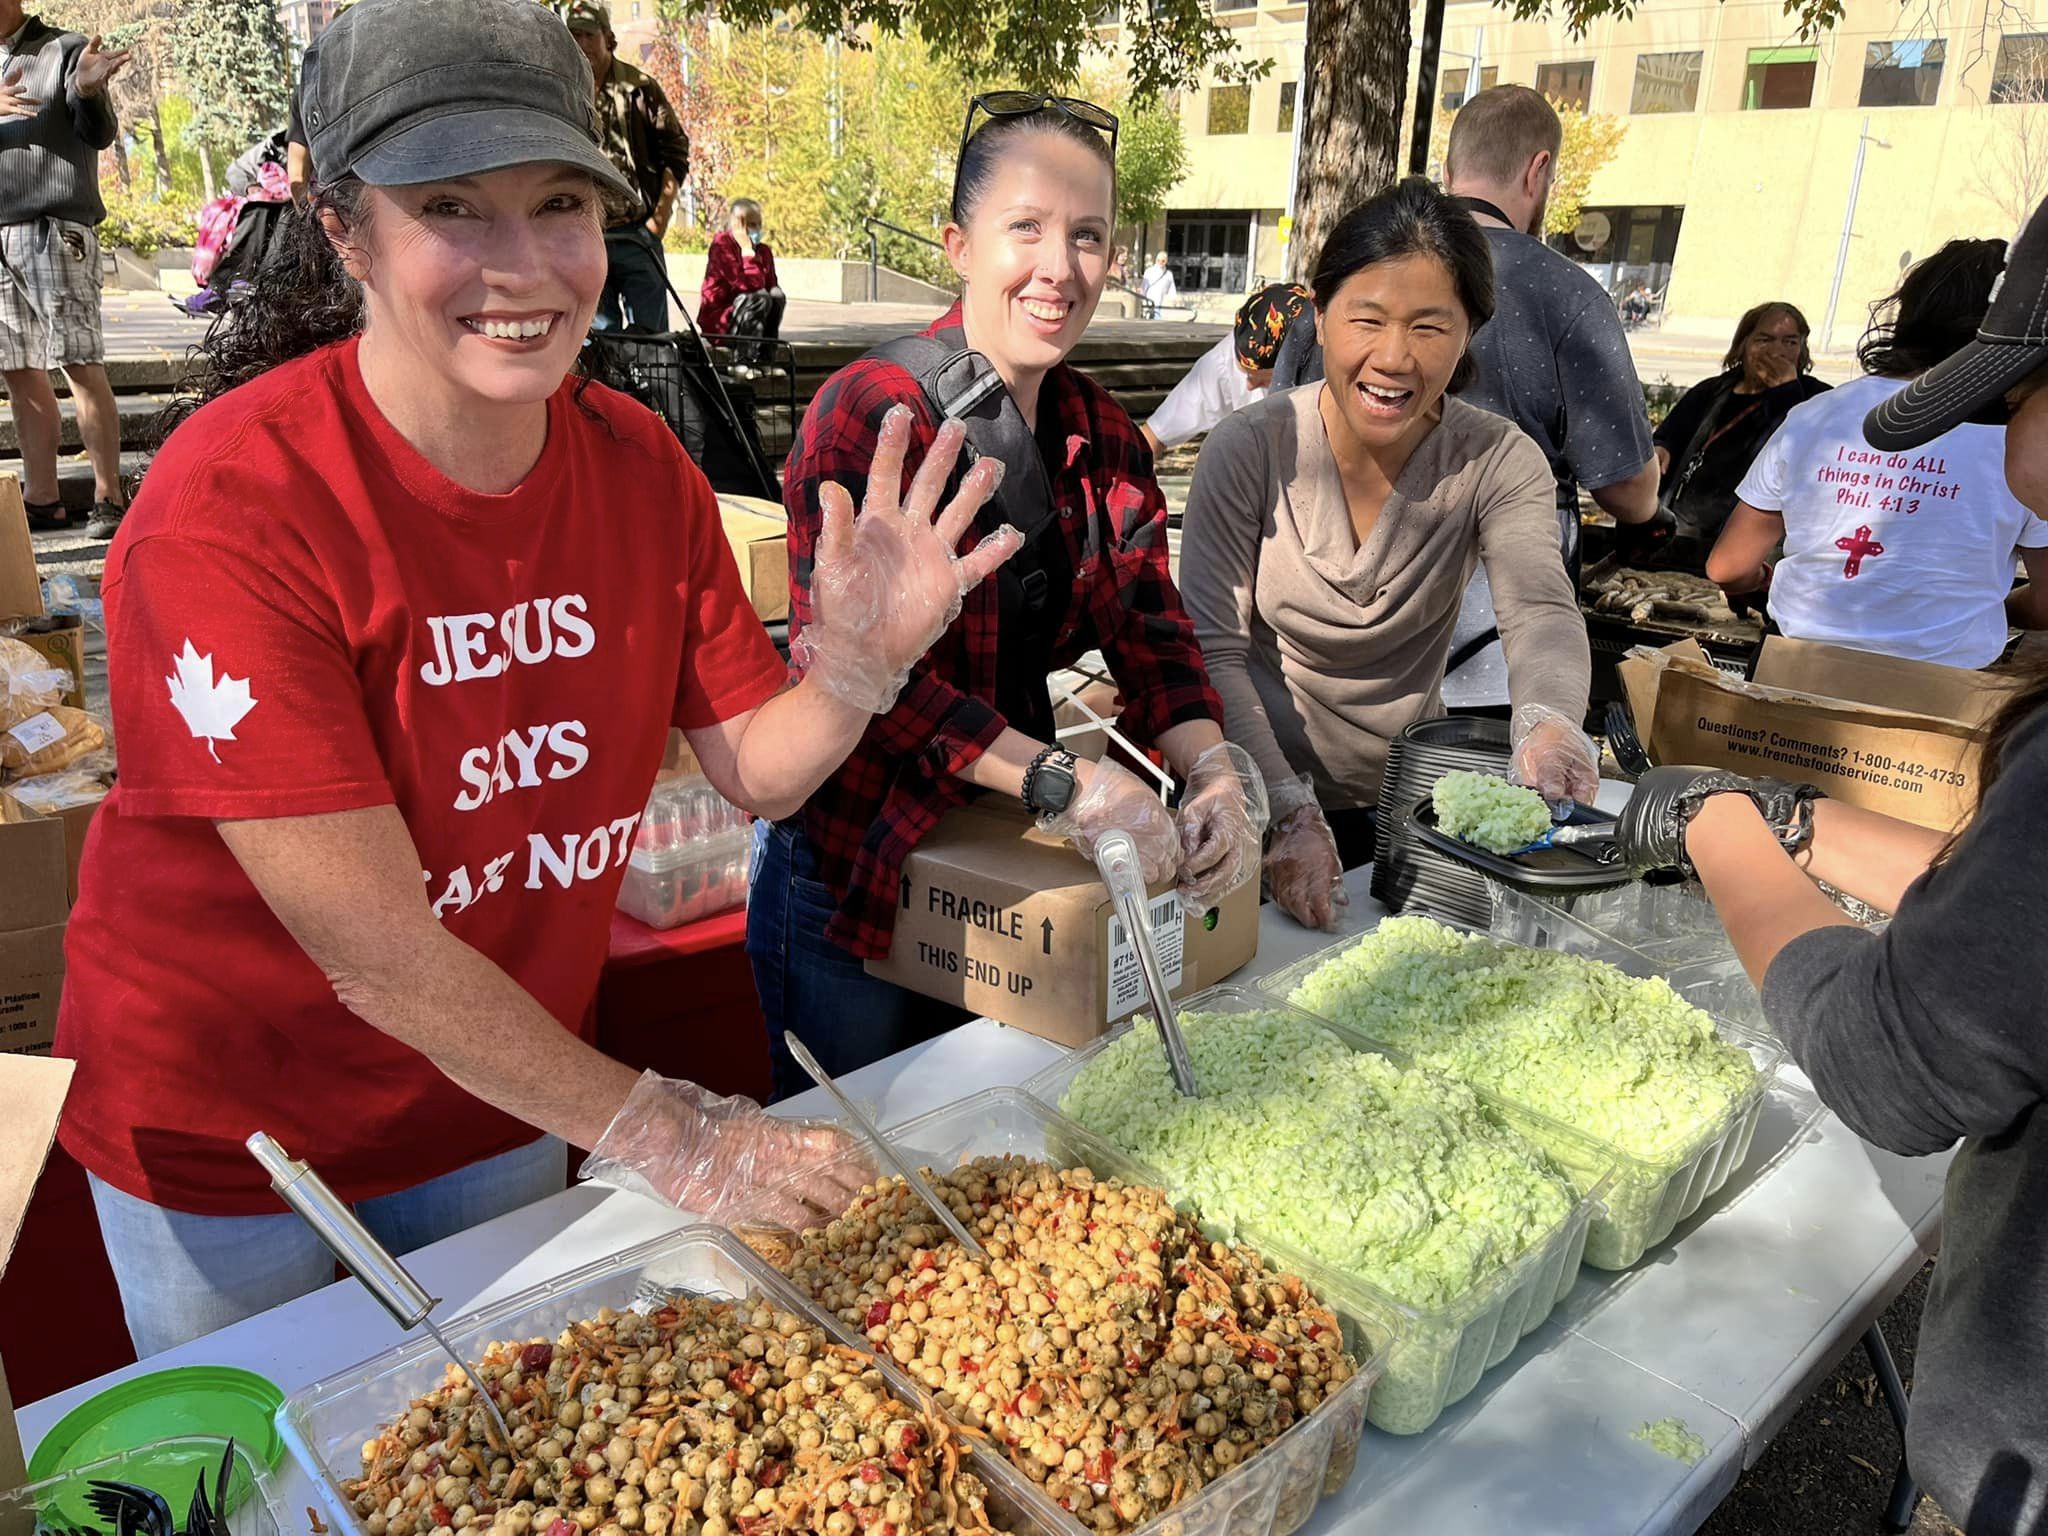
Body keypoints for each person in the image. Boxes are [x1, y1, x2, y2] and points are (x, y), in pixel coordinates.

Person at [52, 0, 1016, 1357]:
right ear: (345, 228)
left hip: (500, 1094)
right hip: (239, 1146)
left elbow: (757, 767)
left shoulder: (637, 470)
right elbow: (378, 954)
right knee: (284, 1481)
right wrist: (667, 1133)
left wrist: (856, 666)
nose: (525, 267)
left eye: (560, 202)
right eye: (453, 206)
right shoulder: (237, 506)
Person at [1609, 188, 2048, 1536]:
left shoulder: (1815, 421)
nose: (2017, 454)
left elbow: (1896, 1061)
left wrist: (1720, 820)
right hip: (1935, 726)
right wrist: (1800, 829)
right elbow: (2009, 915)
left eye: (2022, 401)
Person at [759, 92, 1263, 1086]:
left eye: (1086, 236)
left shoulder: (1103, 434)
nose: (1057, 267)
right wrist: (1062, 780)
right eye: (1023, 228)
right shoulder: (872, 414)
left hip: (1006, 861)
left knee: (997, 1145)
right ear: (957, 243)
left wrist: (1212, 773)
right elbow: (862, 679)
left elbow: (1150, 630)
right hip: (855, 860)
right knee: (850, 1163)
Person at [1177, 179, 1597, 931]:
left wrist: (1551, 721)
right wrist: (1283, 807)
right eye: (1366, 319)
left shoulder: (1499, 460)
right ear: (1320, 313)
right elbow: (1213, 647)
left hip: (1407, 805)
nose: (1394, 359)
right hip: (1255, 793)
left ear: (1471, 329)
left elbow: (1538, 610)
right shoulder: (1251, 449)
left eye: (1431, 328)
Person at [1707, 240, 2048, 668]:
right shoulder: (2023, 442)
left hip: (1796, 672)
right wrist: (1992, 607)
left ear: (1908, 313)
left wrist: (1762, 581)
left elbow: (1727, 567)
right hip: (1947, 686)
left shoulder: (1815, 416)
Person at [1445, 86, 1662, 560]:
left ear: (1447, 172)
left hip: (1340, 598)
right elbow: (1628, 491)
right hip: (1500, 599)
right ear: (1538, 170)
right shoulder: (1566, 293)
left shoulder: (1356, 273)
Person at [0, 2, 130, 539]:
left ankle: (108, 497)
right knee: (19, 371)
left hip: (56, 228)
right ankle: (43, 498)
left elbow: (98, 134)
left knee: (78, 361)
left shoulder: (65, 48)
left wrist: (90, 91)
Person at [1640, 301, 1830, 573]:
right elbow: (1669, 435)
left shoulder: (1816, 399)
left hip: (1749, 544)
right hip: (1684, 532)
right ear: (1743, 344)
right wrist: (1662, 448)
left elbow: (1804, 452)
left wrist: (1784, 393)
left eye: (1790, 342)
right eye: (1765, 340)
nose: (1777, 352)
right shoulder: (1712, 391)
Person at [566, 0, 690, 333]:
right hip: (586, 235)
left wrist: (657, 222)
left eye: (589, 35)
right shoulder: (564, 94)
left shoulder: (640, 88)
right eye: (574, 35)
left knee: (652, 350)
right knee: (598, 348)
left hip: (637, 234)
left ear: (608, 37)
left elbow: (676, 152)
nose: (581, 44)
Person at [1141, 281, 1312, 457]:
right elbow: (1153, 435)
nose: (1250, 386)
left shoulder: (1323, 363)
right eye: (1246, 374)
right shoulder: (1222, 362)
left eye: (1264, 380)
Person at [698, 197, 785, 375]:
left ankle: (765, 360)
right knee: (758, 297)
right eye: (751, 224)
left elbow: (770, 284)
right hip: (722, 319)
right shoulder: (722, 245)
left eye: (758, 224)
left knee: (776, 296)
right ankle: (742, 359)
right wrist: (747, 253)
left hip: (750, 310)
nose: (755, 229)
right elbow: (744, 285)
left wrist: (752, 252)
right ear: (738, 225)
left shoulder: (764, 251)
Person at [1142, 250, 1178, 315]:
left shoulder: (1169, 274)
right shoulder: (1149, 271)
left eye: (1163, 261)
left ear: (1166, 261)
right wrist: (1143, 301)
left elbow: (1172, 288)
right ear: (1156, 260)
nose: (1160, 262)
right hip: (1150, 302)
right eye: (1158, 260)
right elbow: (1144, 287)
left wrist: (1173, 299)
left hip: (1162, 303)